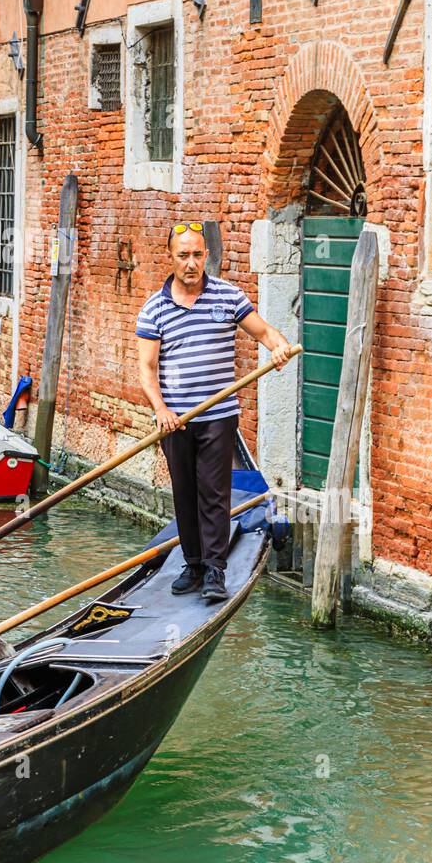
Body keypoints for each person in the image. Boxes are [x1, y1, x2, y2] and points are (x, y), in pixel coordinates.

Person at [137, 221, 292, 604]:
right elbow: (147, 368)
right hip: (175, 419)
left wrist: (279, 347)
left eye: (197, 255)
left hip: (218, 414)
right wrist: (161, 410)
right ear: (170, 258)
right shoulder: (154, 309)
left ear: (206, 255)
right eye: (183, 255)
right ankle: (192, 564)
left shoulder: (228, 296)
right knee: (184, 492)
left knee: (213, 492)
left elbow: (264, 332)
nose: (191, 263)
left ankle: (215, 570)